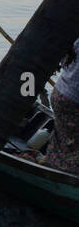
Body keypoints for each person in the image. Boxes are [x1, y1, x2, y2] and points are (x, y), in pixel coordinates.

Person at [41, 39, 79, 174]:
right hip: (73, 103)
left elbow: (64, 60)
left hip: (60, 93)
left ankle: (54, 164)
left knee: (62, 139)